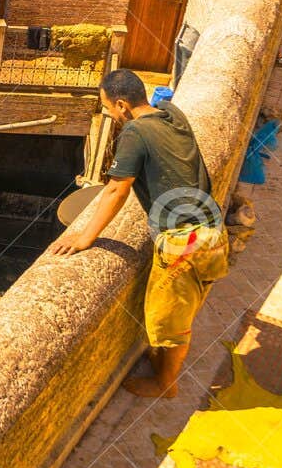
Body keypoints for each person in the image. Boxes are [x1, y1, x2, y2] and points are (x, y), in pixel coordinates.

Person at [46, 69, 229, 399]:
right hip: (213, 228)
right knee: (180, 308)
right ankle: (162, 362)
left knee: (171, 323)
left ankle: (165, 384)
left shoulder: (134, 132)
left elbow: (117, 189)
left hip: (183, 243)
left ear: (121, 105)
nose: (110, 115)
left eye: (108, 108)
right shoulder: (172, 114)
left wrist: (85, 237)